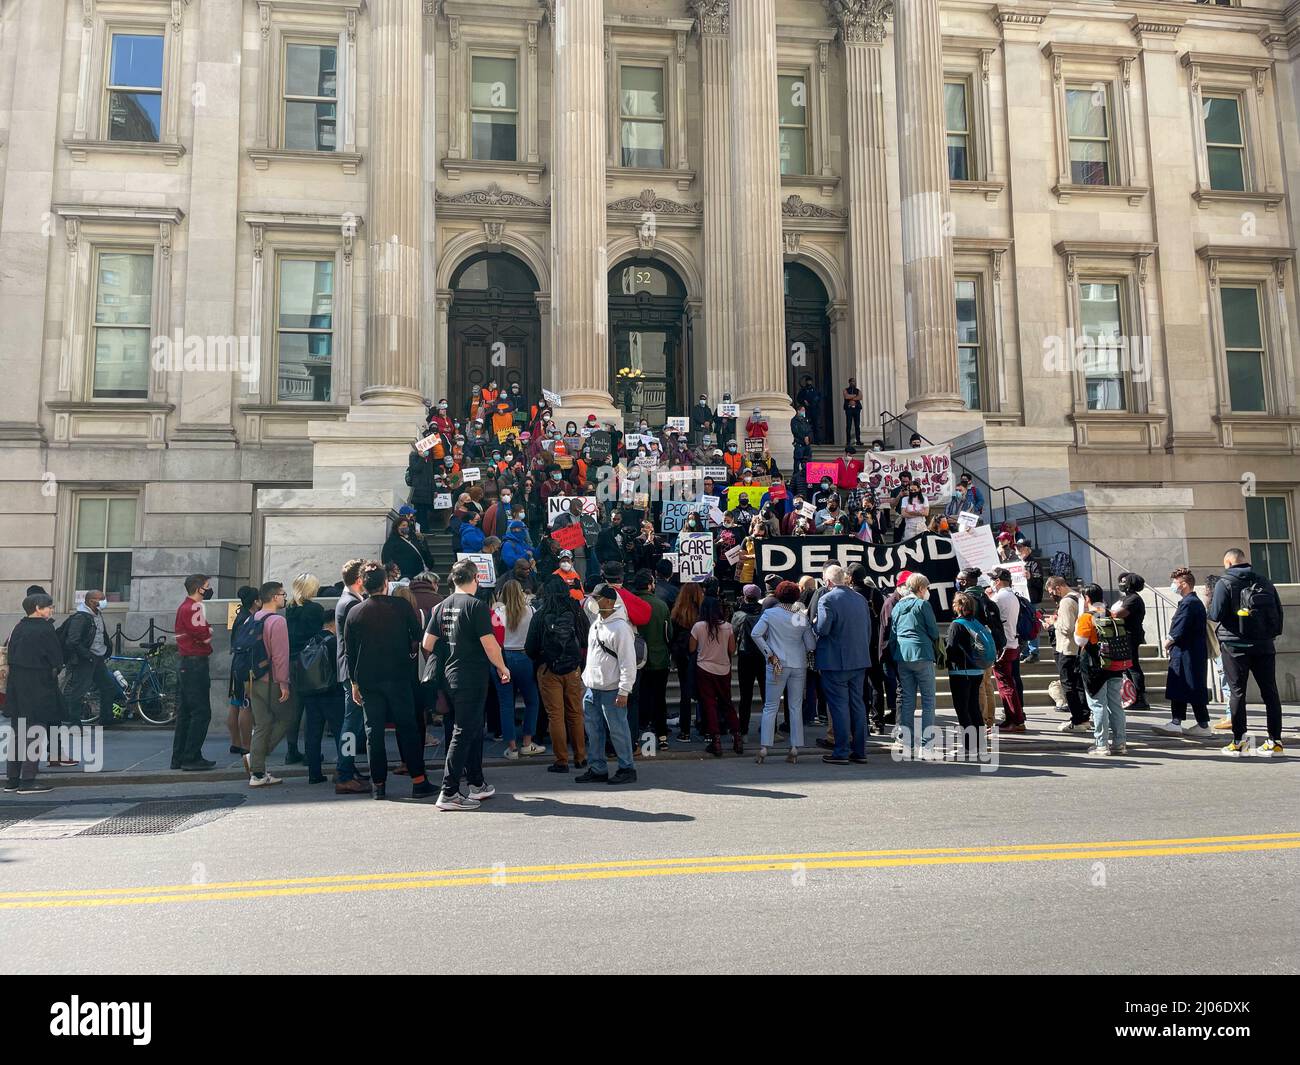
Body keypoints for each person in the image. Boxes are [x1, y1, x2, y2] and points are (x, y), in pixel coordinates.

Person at [424, 558, 511, 809]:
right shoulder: (476, 606)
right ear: (475, 579)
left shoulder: (441, 606)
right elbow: (489, 643)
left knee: (471, 729)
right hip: (471, 676)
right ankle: (449, 791)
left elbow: (427, 644)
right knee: (464, 731)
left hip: (450, 676)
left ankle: (476, 782)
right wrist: (502, 667)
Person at [346, 563, 429, 799]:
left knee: (374, 733)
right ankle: (418, 780)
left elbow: (350, 653)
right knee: (408, 728)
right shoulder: (401, 607)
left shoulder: (355, 612)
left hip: (369, 679)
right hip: (400, 676)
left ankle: (378, 785)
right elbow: (417, 636)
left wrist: (354, 683)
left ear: (364, 584)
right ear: (385, 584)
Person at [1208, 548, 1285, 755]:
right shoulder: (1265, 581)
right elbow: (1278, 611)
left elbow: (1215, 614)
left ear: (1228, 562)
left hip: (1235, 646)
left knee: (1237, 693)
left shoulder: (1224, 583)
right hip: (1264, 645)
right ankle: (1275, 741)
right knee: (1270, 692)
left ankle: (1239, 740)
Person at [525, 576, 589, 773]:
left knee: (556, 715)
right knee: (575, 712)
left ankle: (561, 760)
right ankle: (581, 756)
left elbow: (530, 647)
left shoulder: (541, 613)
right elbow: (586, 639)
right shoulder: (576, 610)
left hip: (548, 668)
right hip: (573, 669)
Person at [578, 584, 639, 784]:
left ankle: (626, 767)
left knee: (618, 730)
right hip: (593, 687)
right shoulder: (597, 622)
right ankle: (597, 768)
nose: (593, 602)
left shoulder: (621, 628)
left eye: (598, 598)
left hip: (611, 688)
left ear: (610, 602)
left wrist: (624, 690)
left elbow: (628, 662)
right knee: (594, 731)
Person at [750, 581, 816, 764]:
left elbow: (756, 634)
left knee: (771, 706)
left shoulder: (770, 614)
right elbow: (811, 645)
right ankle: (794, 747)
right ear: (796, 597)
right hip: (798, 663)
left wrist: (769, 653)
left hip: (776, 662)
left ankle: (764, 748)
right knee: (795, 707)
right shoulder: (801, 617)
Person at [3, 593, 63, 794]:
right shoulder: (45, 629)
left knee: (18, 734)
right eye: (49, 607)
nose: (51, 610)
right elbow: (56, 660)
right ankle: (28, 781)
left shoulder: (18, 627)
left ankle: (12, 779)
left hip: (16, 687)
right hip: (39, 685)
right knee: (35, 732)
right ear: (38, 607)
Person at [815, 565, 871, 765]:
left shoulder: (827, 599)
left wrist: (813, 622)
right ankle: (860, 750)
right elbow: (868, 628)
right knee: (857, 704)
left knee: (839, 706)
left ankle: (841, 751)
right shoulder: (860, 599)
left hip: (835, 660)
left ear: (828, 581)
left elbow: (823, 629)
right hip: (859, 659)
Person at [1152, 567, 1213, 739]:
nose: (1173, 585)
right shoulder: (1194, 602)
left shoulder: (1188, 604)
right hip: (1191, 653)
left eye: (1175, 583)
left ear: (1184, 584)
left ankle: (1179, 722)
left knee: (1182, 685)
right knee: (1189, 687)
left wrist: (1167, 641)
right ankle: (1197, 723)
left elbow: (1180, 628)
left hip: (1186, 652)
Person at [245, 581, 293, 787]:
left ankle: (257, 773)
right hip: (271, 680)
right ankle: (255, 759)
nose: (285, 597)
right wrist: (284, 683)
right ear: (274, 597)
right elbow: (281, 656)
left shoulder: (252, 618)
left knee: (262, 724)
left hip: (251, 678)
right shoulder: (278, 621)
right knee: (287, 717)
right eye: (283, 594)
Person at [1075, 582, 1130, 756]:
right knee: (1115, 705)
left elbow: (1080, 641)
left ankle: (1101, 744)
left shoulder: (1086, 617)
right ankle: (1120, 743)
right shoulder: (1110, 614)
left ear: (1087, 598)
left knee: (1098, 705)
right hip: (1114, 664)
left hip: (1094, 666)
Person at [492, 579, 544, 760]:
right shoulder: (531, 611)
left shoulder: (497, 613)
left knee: (506, 705)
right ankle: (527, 743)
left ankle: (512, 748)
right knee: (532, 701)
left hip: (503, 658)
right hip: (525, 658)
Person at [889, 573, 940, 758]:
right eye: (926, 588)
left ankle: (907, 744)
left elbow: (892, 634)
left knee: (908, 701)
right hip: (922, 654)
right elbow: (934, 631)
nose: (927, 592)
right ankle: (927, 746)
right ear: (920, 589)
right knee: (928, 701)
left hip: (902, 656)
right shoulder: (923, 605)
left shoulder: (898, 606)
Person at [331, 559, 370, 795]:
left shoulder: (349, 600)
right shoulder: (349, 604)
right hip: (352, 673)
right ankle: (344, 772)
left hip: (350, 671)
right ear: (358, 580)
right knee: (351, 724)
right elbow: (352, 645)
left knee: (352, 723)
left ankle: (347, 767)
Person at [171, 573, 217, 771]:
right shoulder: (194, 607)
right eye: (207, 586)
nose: (208, 589)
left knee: (186, 712)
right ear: (199, 589)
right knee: (201, 712)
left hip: (187, 663)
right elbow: (203, 633)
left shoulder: (185, 607)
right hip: (195, 663)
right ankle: (191, 757)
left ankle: (180, 757)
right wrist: (209, 632)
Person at [283, 572, 326, 766]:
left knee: (294, 709)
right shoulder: (315, 609)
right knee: (312, 709)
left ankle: (291, 751)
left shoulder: (290, 609)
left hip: (291, 662)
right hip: (309, 662)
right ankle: (311, 753)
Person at [58, 589, 117, 731]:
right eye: (101, 598)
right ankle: (74, 722)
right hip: (84, 660)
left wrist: (106, 649)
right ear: (91, 601)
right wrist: (87, 655)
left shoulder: (97, 614)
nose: (104, 601)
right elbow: (73, 641)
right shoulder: (81, 617)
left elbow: (100, 634)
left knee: (108, 687)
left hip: (97, 657)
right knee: (79, 691)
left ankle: (106, 719)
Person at [945, 592, 994, 758]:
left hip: (960, 671)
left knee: (962, 709)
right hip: (977, 670)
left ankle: (968, 746)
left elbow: (951, 649)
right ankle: (980, 744)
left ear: (958, 607)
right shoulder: (977, 623)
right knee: (974, 707)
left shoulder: (956, 625)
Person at [690, 597, 740, 757]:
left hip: (704, 668)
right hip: (723, 668)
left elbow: (692, 648)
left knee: (709, 704)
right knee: (727, 703)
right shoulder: (727, 627)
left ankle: (715, 740)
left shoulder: (698, 626)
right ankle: (737, 736)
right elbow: (732, 649)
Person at [300, 615, 347, 785]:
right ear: (333, 623)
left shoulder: (311, 640)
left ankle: (314, 773)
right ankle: (346, 769)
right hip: (332, 693)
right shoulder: (334, 642)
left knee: (313, 735)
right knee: (342, 732)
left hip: (311, 694)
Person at [629, 570, 671, 748]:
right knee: (659, 697)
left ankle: (640, 735)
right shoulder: (661, 605)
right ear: (649, 585)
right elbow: (668, 634)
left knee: (638, 698)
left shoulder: (629, 604)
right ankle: (661, 736)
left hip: (636, 659)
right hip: (659, 658)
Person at [1045, 576, 1090, 733]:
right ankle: (1084, 717)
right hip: (1078, 648)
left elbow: (1067, 628)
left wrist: (1053, 623)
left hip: (1067, 648)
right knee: (1078, 685)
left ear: (1058, 587)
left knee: (1068, 685)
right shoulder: (1079, 597)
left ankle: (1077, 720)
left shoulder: (1065, 601)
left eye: (1051, 592)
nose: (1051, 596)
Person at [989, 567, 1025, 732]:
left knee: (1005, 685)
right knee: (1007, 683)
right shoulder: (1012, 596)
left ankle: (1016, 720)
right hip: (1012, 643)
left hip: (1003, 646)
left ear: (997, 581)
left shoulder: (999, 597)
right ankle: (1013, 718)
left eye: (993, 580)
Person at [226, 585, 259, 756]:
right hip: (246, 663)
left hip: (237, 663)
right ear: (255, 601)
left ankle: (235, 742)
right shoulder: (249, 619)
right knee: (246, 704)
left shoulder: (240, 616)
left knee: (235, 703)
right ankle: (246, 745)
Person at [669, 582, 704, 741]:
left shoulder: (677, 613)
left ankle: (685, 731)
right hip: (701, 654)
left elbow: (672, 635)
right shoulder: (702, 613)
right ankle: (705, 727)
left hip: (683, 655)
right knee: (704, 691)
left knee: (685, 692)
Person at [1112, 572, 1149, 710]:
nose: (1121, 584)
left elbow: (1117, 614)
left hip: (1131, 636)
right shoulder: (1126, 598)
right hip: (1125, 636)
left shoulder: (1133, 599)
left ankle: (1140, 698)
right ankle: (1131, 696)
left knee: (1133, 667)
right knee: (1127, 667)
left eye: (1124, 581)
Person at [381, 514, 432, 580]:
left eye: (407, 525)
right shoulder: (391, 542)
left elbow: (424, 551)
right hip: (404, 576)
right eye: (403, 525)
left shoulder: (414, 538)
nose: (406, 527)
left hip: (420, 573)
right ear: (397, 527)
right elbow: (386, 558)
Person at [795, 376, 822, 443]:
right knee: (806, 425)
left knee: (816, 426)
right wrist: (804, 401)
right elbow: (799, 398)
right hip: (806, 410)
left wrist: (814, 402)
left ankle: (817, 440)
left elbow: (819, 398)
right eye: (808, 381)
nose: (809, 382)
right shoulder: (803, 390)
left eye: (810, 381)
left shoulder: (815, 390)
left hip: (814, 410)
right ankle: (808, 440)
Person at [842, 377, 863, 446]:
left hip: (856, 409)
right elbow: (846, 396)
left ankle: (858, 440)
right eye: (851, 381)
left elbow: (860, 397)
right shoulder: (846, 390)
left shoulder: (858, 390)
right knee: (849, 425)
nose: (853, 383)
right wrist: (854, 396)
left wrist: (852, 398)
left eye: (854, 381)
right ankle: (848, 441)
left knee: (857, 425)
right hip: (849, 409)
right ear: (849, 382)